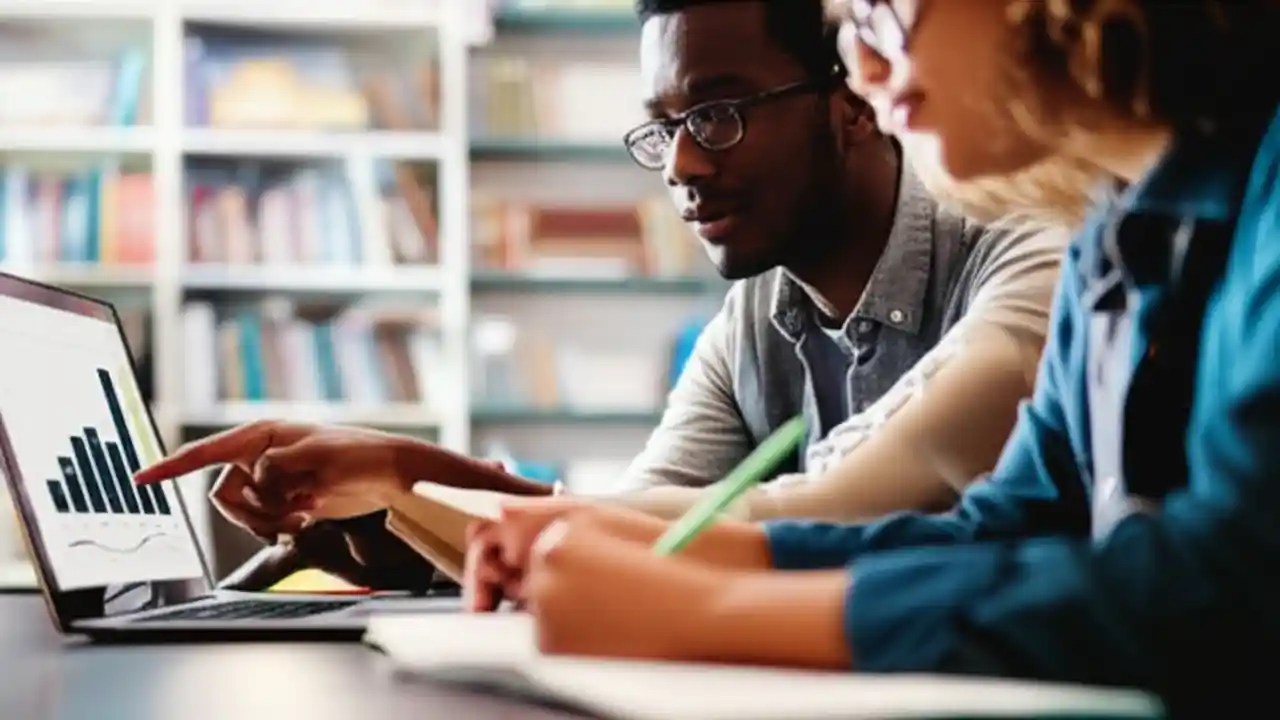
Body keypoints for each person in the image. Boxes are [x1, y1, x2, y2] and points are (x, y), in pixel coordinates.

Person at [464, 0, 1280, 711]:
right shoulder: (1115, 231)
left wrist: (704, 612)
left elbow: (1232, 587)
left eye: (881, 5)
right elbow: (1003, 528)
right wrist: (675, 551)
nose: (861, 63)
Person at [134, 0, 1065, 590]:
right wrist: (409, 485)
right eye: (664, 128)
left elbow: (830, 507)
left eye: (718, 115)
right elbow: (635, 530)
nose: (685, 167)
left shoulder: (1029, 247)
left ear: (852, 99)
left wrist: (410, 485)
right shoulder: (753, 319)